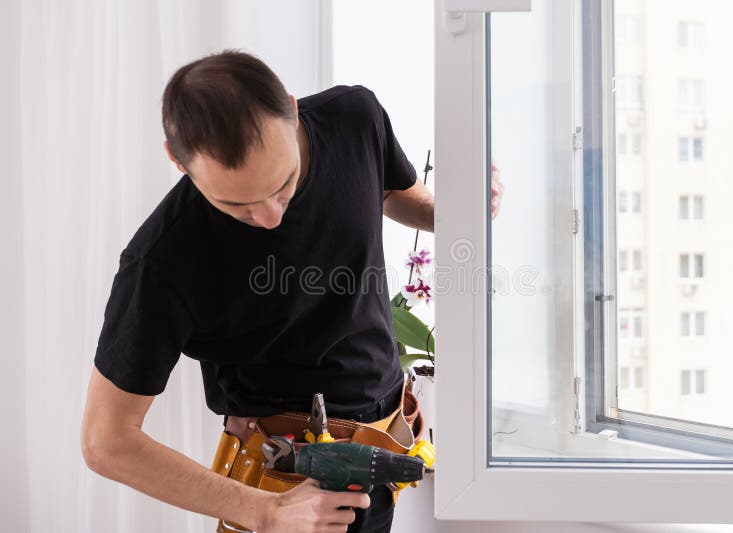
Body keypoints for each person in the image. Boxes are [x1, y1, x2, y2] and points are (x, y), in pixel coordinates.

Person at [80, 49, 503, 533]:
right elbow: (105, 440)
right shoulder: (161, 261)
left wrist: (460, 207)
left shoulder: (355, 119)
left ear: (292, 108)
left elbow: (393, 194)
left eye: (284, 185)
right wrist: (267, 511)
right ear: (178, 161)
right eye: (237, 205)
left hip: (385, 454)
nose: (271, 217)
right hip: (282, 490)